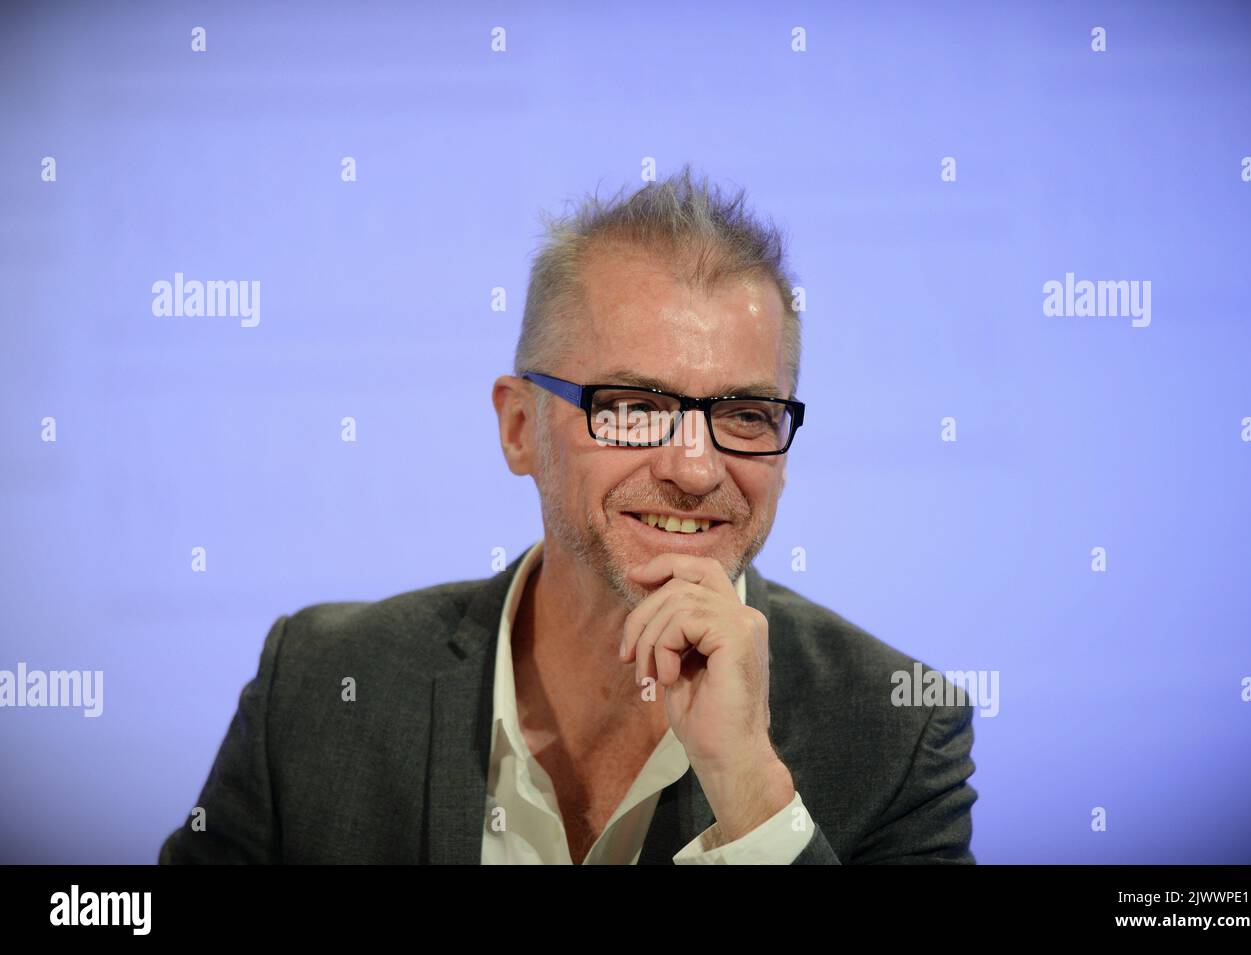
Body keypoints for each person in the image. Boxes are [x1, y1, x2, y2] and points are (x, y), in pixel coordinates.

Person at [159, 166, 977, 864]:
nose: (695, 468)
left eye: (745, 414)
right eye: (630, 404)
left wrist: (752, 791)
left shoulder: (898, 731)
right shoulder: (317, 688)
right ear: (519, 427)